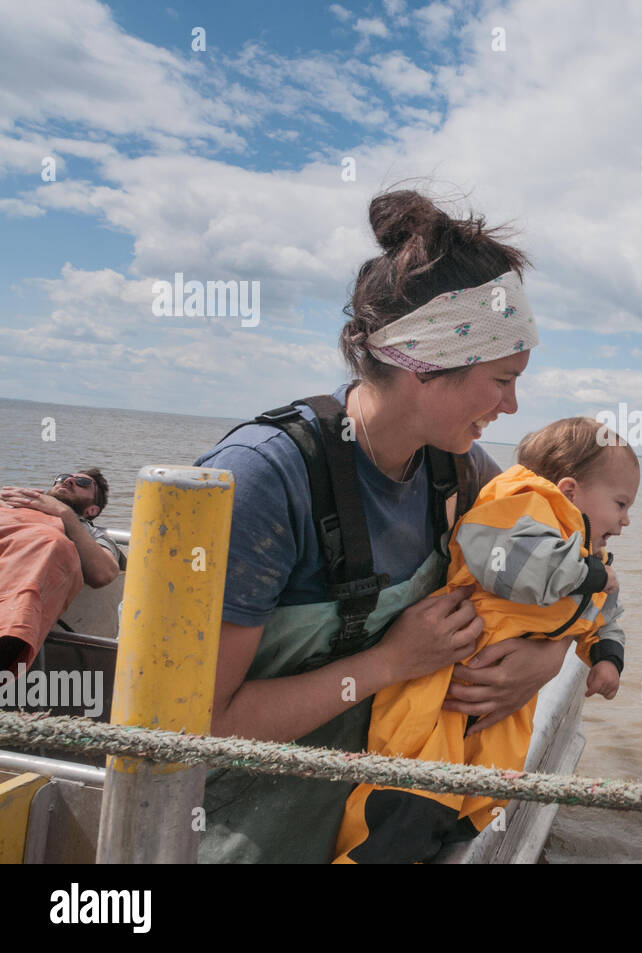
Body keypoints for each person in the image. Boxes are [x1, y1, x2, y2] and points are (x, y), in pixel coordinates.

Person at [192, 189, 572, 863]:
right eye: (503, 378)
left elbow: (578, 578)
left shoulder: (460, 472)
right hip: (230, 833)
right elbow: (195, 725)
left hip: (368, 832)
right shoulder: (266, 480)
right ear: (426, 367)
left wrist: (545, 660)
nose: (514, 406)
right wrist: (387, 661)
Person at [335, 416, 637, 863]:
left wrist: (608, 657)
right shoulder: (520, 505)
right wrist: (590, 573)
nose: (626, 520)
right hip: (438, 695)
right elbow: (513, 564)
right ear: (570, 490)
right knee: (403, 804)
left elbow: (601, 615)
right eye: (620, 503)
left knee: (472, 806)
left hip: (500, 713)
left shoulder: (590, 557)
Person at [0, 469, 125, 673]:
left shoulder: (92, 533)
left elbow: (103, 573)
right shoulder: (15, 502)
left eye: (82, 482)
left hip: (27, 561)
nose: (68, 481)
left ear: (92, 510)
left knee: (54, 544)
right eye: (63, 478)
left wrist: (64, 514)